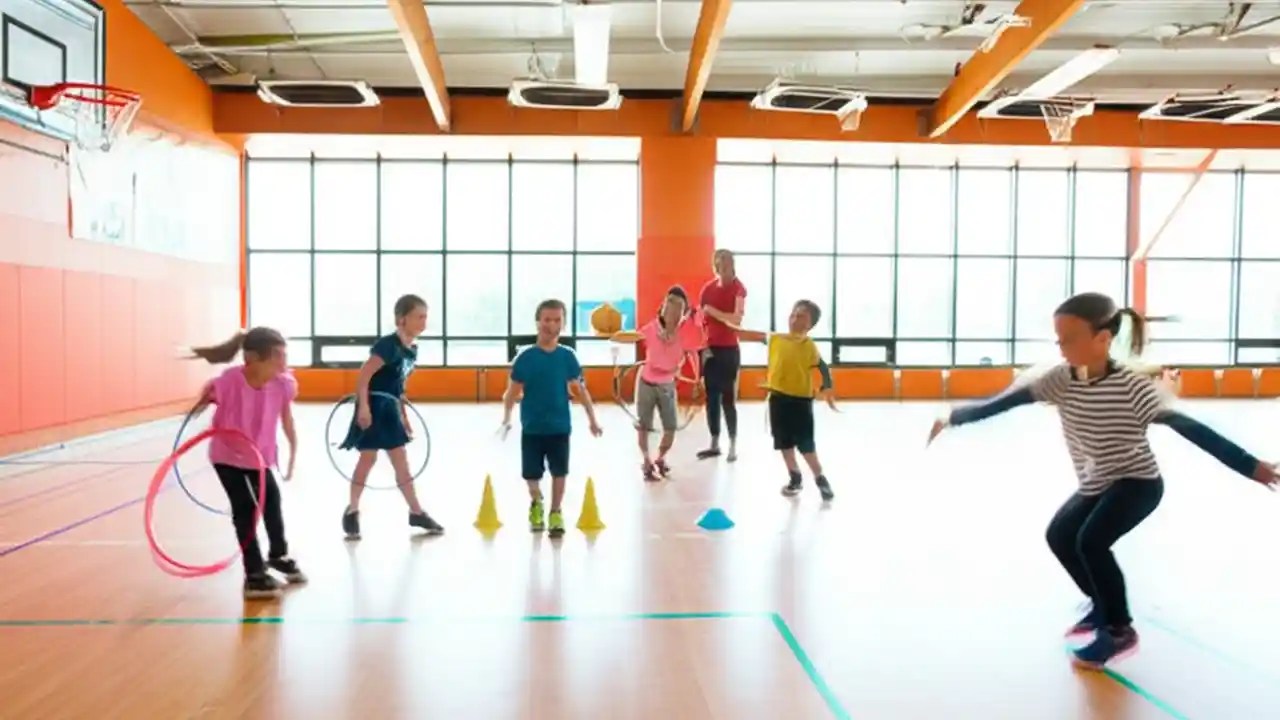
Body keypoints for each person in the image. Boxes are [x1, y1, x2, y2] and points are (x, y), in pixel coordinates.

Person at [928, 292, 1279, 668]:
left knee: (1091, 541)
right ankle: (1101, 604)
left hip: (1137, 483)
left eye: (1071, 339)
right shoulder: (1060, 380)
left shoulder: (1132, 388)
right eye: (1059, 340)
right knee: (1059, 536)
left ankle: (1119, 630)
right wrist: (954, 417)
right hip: (1096, 482)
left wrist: (1248, 465)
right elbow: (1006, 402)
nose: (1062, 348)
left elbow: (1192, 429)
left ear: (1103, 339)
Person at [191, 327, 307, 600]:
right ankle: (254, 574)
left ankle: (278, 555)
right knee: (245, 509)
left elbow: (287, 419)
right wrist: (204, 397)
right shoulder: (230, 381)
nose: (283, 361)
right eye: (277, 356)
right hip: (227, 456)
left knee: (272, 503)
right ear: (253, 358)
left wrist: (291, 452)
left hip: (260, 457)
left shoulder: (283, 384)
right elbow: (206, 397)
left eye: (284, 355)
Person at [339, 294, 444, 540]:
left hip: (390, 409)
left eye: (425, 317)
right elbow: (364, 377)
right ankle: (352, 510)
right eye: (419, 316)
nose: (423, 322)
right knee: (368, 460)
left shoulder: (411, 350)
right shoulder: (388, 345)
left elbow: (398, 388)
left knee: (401, 462)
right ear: (401, 319)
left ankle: (416, 511)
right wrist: (363, 408)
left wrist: (404, 417)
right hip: (374, 406)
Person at [501, 299, 603, 537]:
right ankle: (537, 502)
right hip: (533, 428)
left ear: (563, 323)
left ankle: (555, 512)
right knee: (531, 474)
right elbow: (512, 393)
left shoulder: (567, 357)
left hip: (559, 426)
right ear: (538, 322)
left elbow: (580, 390)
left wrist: (592, 419)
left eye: (557, 320)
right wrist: (507, 418)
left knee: (560, 471)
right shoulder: (525, 358)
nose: (551, 325)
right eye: (547, 319)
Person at [732, 299, 837, 500]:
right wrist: (719, 323)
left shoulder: (809, 346)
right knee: (783, 441)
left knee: (806, 444)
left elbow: (822, 366)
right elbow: (744, 334)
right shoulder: (776, 339)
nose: (795, 319)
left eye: (802, 316)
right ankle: (794, 476)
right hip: (778, 399)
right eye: (793, 314)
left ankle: (820, 478)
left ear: (810, 324)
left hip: (801, 402)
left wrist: (827, 385)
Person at [610, 286, 701, 480]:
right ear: (663, 307)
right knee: (643, 425)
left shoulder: (685, 334)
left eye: (678, 306)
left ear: (683, 313)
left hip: (667, 385)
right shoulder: (652, 329)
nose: (673, 310)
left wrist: (696, 379)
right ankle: (646, 461)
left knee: (670, 427)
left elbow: (692, 354)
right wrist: (617, 336)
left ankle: (660, 458)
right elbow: (635, 336)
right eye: (670, 303)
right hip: (646, 382)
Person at [698, 249, 746, 462]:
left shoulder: (739, 289)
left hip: (729, 350)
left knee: (728, 399)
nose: (724, 269)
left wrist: (713, 312)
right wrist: (702, 345)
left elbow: (736, 319)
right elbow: (701, 320)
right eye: (720, 265)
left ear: (732, 265)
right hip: (710, 350)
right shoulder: (707, 290)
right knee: (712, 398)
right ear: (715, 266)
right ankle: (714, 442)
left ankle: (733, 442)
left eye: (727, 264)